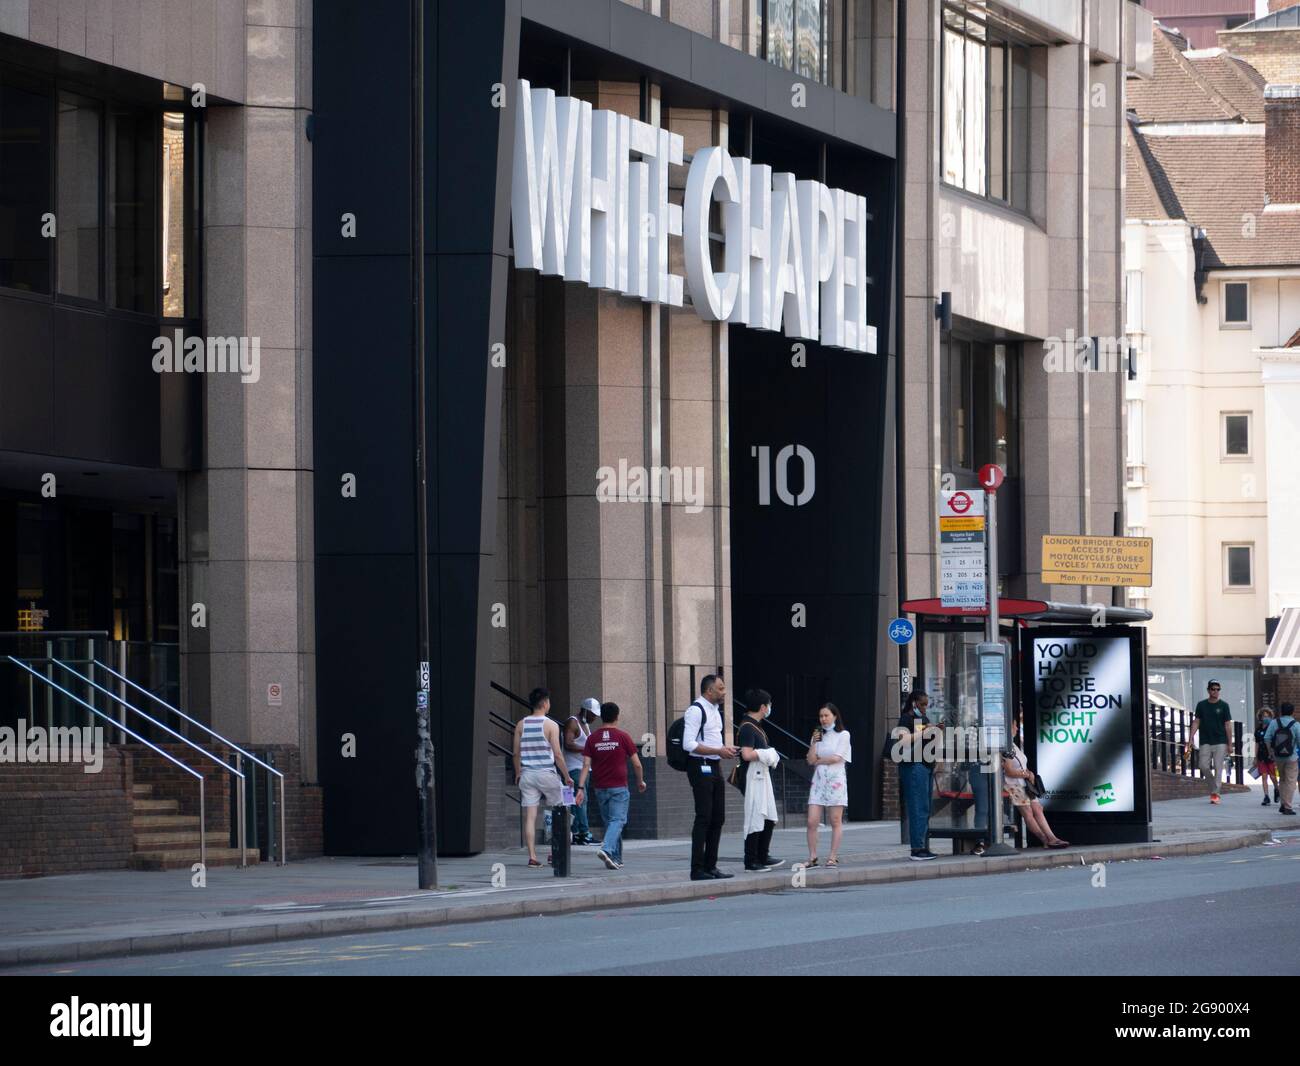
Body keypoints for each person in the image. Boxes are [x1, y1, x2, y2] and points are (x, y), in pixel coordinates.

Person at [577, 702, 645, 869]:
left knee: (611, 823)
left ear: (601, 717)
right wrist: (640, 781)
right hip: (619, 787)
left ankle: (616, 858)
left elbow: (585, 765)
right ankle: (607, 849)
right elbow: (637, 764)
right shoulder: (623, 736)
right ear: (617, 716)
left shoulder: (592, 739)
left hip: (600, 788)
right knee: (618, 820)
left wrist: (580, 788)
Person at [513, 687, 576, 867]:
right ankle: (552, 851)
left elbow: (515, 754)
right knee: (560, 810)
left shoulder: (521, 724)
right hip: (547, 774)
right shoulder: (551, 725)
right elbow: (557, 754)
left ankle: (532, 856)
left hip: (527, 774)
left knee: (530, 817)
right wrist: (567, 776)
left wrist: (518, 772)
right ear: (546, 702)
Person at [683, 673, 736, 880]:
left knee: (718, 817)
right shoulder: (695, 711)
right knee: (704, 816)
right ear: (709, 691)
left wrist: (724, 750)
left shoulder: (715, 710)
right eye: (721, 688)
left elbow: (712, 741)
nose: (724, 692)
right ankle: (697, 869)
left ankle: (711, 865)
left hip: (714, 765)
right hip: (699, 766)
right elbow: (689, 744)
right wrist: (718, 751)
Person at [1002, 717, 1069, 849]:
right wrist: (1026, 774)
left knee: (1037, 809)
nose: (1016, 728)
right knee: (1027, 812)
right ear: (1009, 728)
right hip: (1013, 785)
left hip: (1025, 783)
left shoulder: (1013, 745)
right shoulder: (1006, 747)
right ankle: (1044, 839)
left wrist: (1028, 773)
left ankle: (1052, 837)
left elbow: (1020, 765)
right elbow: (1009, 771)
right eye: (1015, 726)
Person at [737, 688, 783, 871]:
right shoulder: (748, 727)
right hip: (753, 778)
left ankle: (762, 855)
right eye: (769, 705)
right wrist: (769, 753)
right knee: (755, 817)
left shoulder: (756, 726)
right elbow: (746, 754)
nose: (770, 708)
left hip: (762, 777)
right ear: (763, 707)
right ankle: (751, 860)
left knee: (769, 817)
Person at [893, 689, 940, 861]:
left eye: (927, 705)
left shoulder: (922, 719)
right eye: (922, 704)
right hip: (913, 766)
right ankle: (917, 848)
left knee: (924, 807)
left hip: (925, 765)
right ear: (914, 703)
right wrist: (925, 732)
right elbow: (903, 740)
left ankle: (922, 845)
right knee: (917, 807)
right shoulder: (906, 718)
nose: (925, 708)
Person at [805, 702, 851, 867]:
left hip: (836, 781)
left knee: (835, 820)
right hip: (818, 781)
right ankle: (812, 856)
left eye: (826, 715)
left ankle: (832, 856)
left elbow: (836, 758)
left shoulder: (843, 735)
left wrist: (820, 760)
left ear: (834, 716)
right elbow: (810, 760)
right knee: (812, 820)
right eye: (821, 716)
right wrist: (814, 744)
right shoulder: (817, 735)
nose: (823, 719)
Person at [1185, 679, 1234, 804]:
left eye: (1218, 689)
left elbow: (1228, 725)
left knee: (1218, 767)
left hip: (1220, 741)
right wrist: (1190, 738)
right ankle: (1214, 787)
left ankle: (1215, 794)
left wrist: (1230, 743)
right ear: (1208, 690)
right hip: (1205, 740)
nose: (1215, 691)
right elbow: (1196, 721)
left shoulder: (1224, 705)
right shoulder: (1201, 705)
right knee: (1203, 765)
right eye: (1213, 689)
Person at [564, 697, 601, 845]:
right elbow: (568, 744)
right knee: (580, 800)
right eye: (592, 714)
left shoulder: (584, 724)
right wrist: (589, 749)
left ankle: (576, 832)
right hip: (574, 768)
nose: (594, 718)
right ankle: (584, 833)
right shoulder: (573, 722)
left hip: (583, 767)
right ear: (585, 710)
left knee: (575, 801)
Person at [1263, 703, 1300, 816]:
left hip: (1278, 757)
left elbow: (1266, 738)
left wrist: (1271, 752)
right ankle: (1287, 806)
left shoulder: (1274, 723)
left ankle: (1283, 804)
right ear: (1292, 712)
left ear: (1281, 711)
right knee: (1290, 782)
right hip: (1291, 757)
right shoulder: (1296, 724)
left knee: (1282, 779)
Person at [1254, 707, 1281, 807]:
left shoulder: (1273, 728)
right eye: (1263, 716)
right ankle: (1266, 796)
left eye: (1267, 716)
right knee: (1264, 776)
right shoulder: (1258, 730)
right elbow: (1256, 743)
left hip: (1271, 755)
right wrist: (1255, 756)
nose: (1265, 718)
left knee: (1273, 776)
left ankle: (1276, 789)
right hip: (1261, 755)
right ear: (1260, 717)